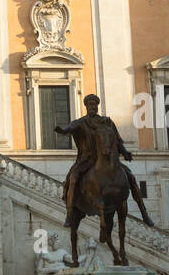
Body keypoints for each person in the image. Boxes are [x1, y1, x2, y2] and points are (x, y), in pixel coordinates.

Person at [55, 94, 152, 227]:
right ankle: (69, 214)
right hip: (87, 160)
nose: (93, 107)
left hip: (107, 160)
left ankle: (144, 213)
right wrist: (63, 130)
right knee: (73, 178)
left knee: (130, 177)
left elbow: (116, 140)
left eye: (95, 104)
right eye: (90, 104)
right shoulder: (81, 122)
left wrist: (124, 152)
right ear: (86, 106)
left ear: (97, 106)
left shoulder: (107, 122)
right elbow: (70, 127)